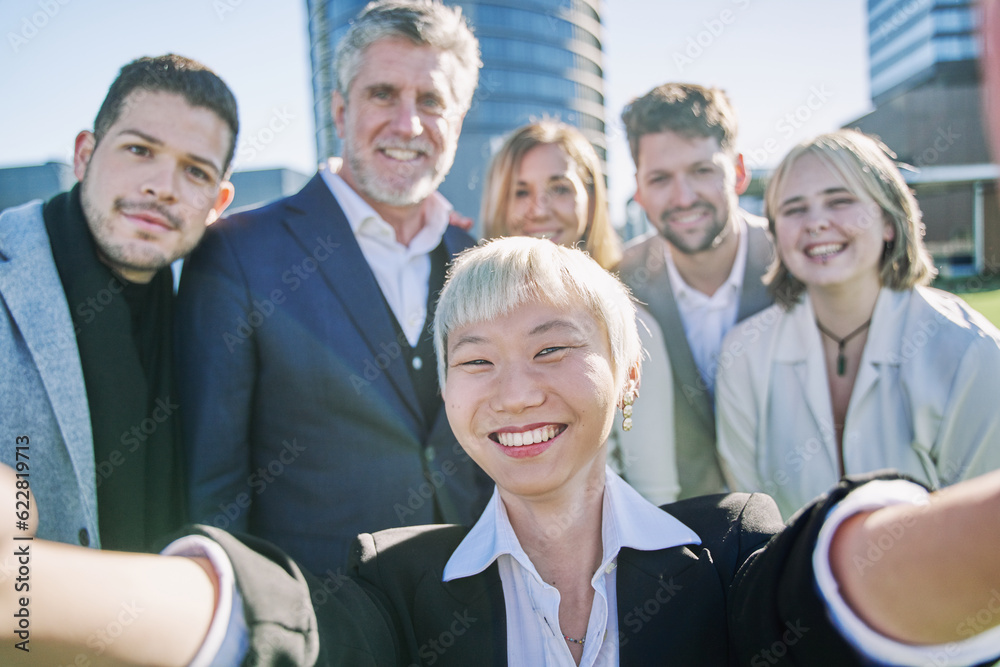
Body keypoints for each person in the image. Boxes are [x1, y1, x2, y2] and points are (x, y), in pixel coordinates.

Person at [7, 236, 1000, 667]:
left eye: (555, 348)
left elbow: (840, 587)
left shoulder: (732, 543)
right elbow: (280, 640)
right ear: (448, 394)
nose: (515, 389)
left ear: (629, 379)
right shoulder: (393, 575)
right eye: (473, 359)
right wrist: (22, 587)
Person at [176, 0, 490, 576]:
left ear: (457, 120)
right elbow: (212, 486)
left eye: (431, 101)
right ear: (341, 110)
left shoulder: (475, 260)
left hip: (472, 607)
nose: (408, 124)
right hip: (320, 622)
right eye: (382, 94)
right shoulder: (238, 253)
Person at [0, 54, 237, 552]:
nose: (162, 188)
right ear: (84, 155)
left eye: (195, 172)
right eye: (139, 149)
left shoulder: (214, 307)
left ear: (216, 205)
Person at [716, 129, 1000, 519]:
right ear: (776, 233)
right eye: (794, 208)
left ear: (888, 220)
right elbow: (753, 526)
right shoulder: (743, 353)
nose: (816, 222)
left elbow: (983, 533)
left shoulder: (972, 351)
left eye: (840, 201)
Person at [480, 120, 678, 503]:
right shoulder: (466, 323)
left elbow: (656, 491)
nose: (539, 209)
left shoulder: (631, 324)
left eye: (559, 188)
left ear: (589, 196)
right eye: (520, 191)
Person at [616, 83, 774, 499]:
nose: (683, 198)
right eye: (661, 179)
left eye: (702, 171)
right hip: (680, 536)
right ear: (639, 189)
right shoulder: (617, 286)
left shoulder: (796, 264)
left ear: (738, 171)